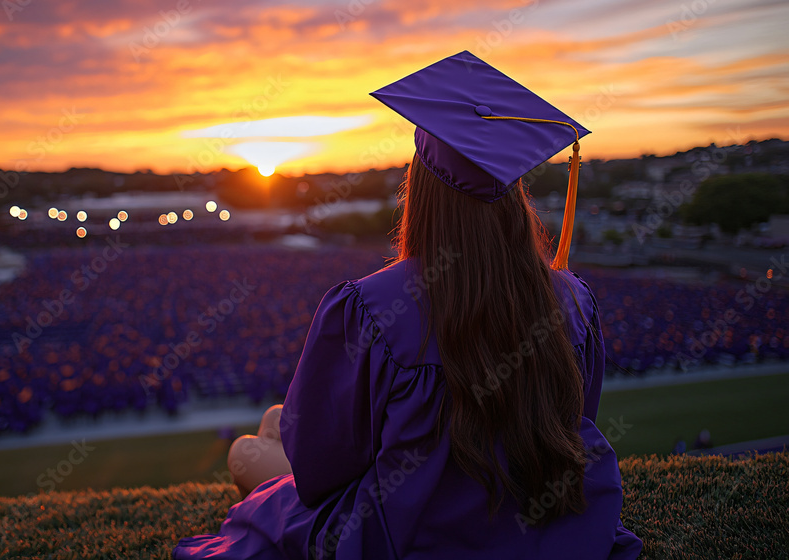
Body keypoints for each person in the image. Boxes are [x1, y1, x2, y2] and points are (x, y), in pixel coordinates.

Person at [174, 51, 642, 559]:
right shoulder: (573, 302)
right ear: (514, 196)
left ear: (421, 190)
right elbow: (577, 416)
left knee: (248, 452)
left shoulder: (372, 308)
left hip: (409, 531)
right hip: (543, 519)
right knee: (272, 419)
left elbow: (322, 468)